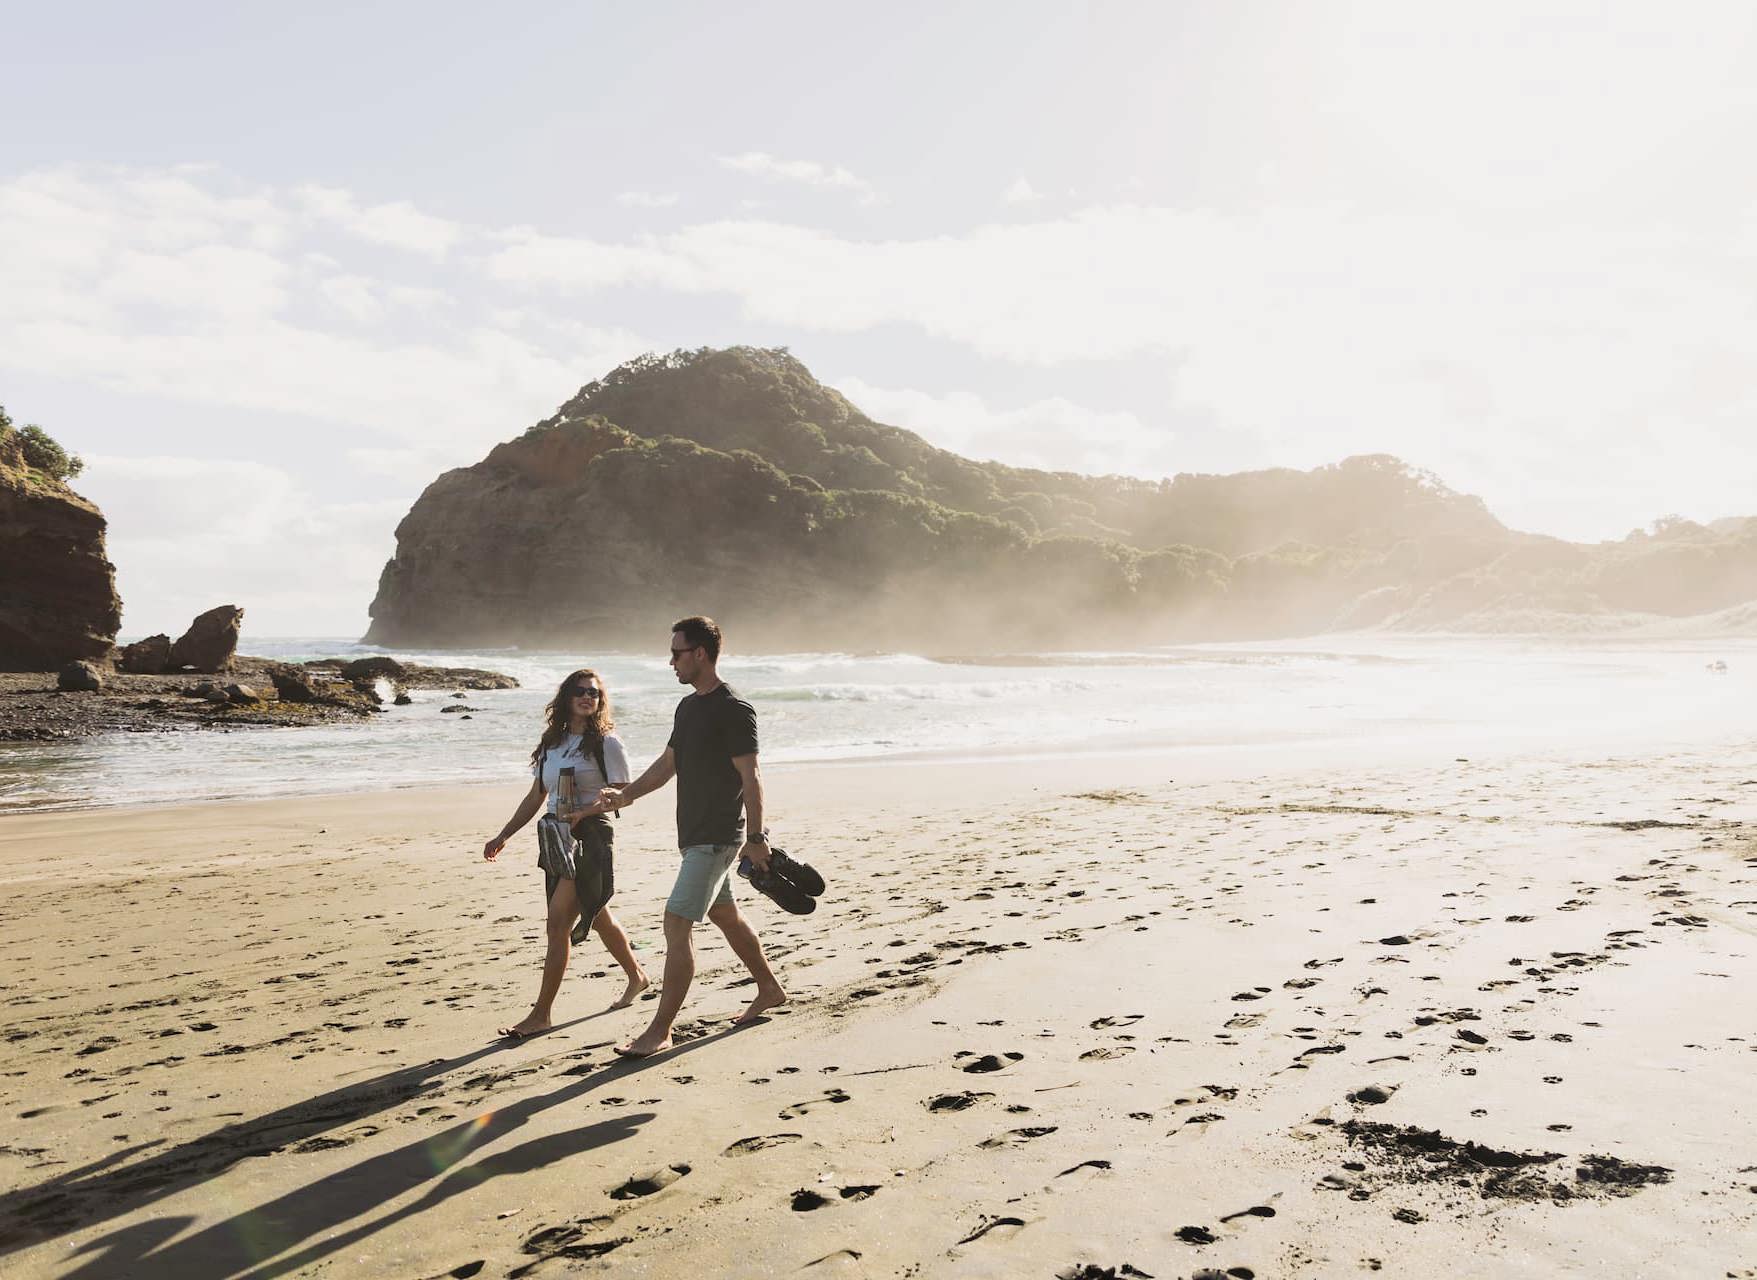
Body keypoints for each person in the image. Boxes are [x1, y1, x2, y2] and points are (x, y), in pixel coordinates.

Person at [597, 616, 788, 1057]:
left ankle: (660, 1030)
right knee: (725, 915)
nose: (671, 662)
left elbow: (752, 776)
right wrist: (626, 795)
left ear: (700, 653)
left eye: (677, 653)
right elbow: (668, 764)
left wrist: (757, 836)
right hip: (696, 835)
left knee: (676, 922)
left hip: (718, 836)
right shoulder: (687, 708)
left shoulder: (734, 709)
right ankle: (769, 988)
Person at [483, 668, 649, 1037]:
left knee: (558, 924)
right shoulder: (552, 743)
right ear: (566, 697)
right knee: (596, 912)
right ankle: (637, 975)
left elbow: (625, 794)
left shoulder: (607, 743)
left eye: (594, 692)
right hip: (555, 835)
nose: (588, 697)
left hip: (590, 836)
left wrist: (585, 813)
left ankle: (541, 1014)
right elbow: (535, 796)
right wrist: (504, 835)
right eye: (580, 691)